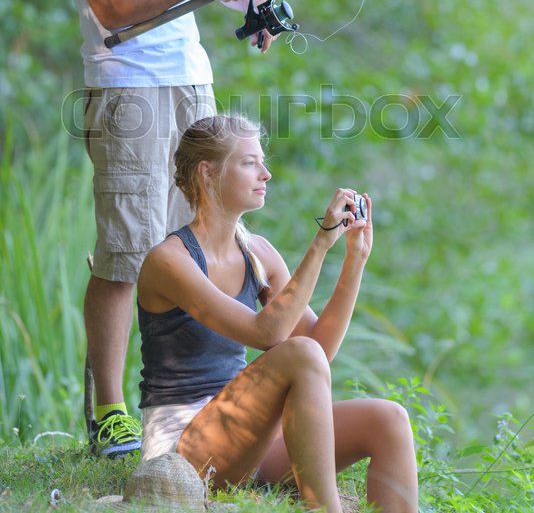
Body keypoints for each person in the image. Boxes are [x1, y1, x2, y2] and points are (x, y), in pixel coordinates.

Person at [45, 0, 276, 457]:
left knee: (203, 241)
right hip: (128, 89)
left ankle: (192, 398)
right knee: (130, 250)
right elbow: (113, 4)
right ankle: (109, 411)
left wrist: (250, 0)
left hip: (191, 78)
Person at [137, 114, 419, 513]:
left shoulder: (259, 253)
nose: (266, 174)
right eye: (249, 162)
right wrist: (320, 244)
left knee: (388, 419)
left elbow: (318, 349)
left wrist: (354, 258)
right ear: (208, 173)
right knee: (297, 353)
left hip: (248, 439)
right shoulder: (170, 261)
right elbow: (266, 334)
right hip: (183, 448)